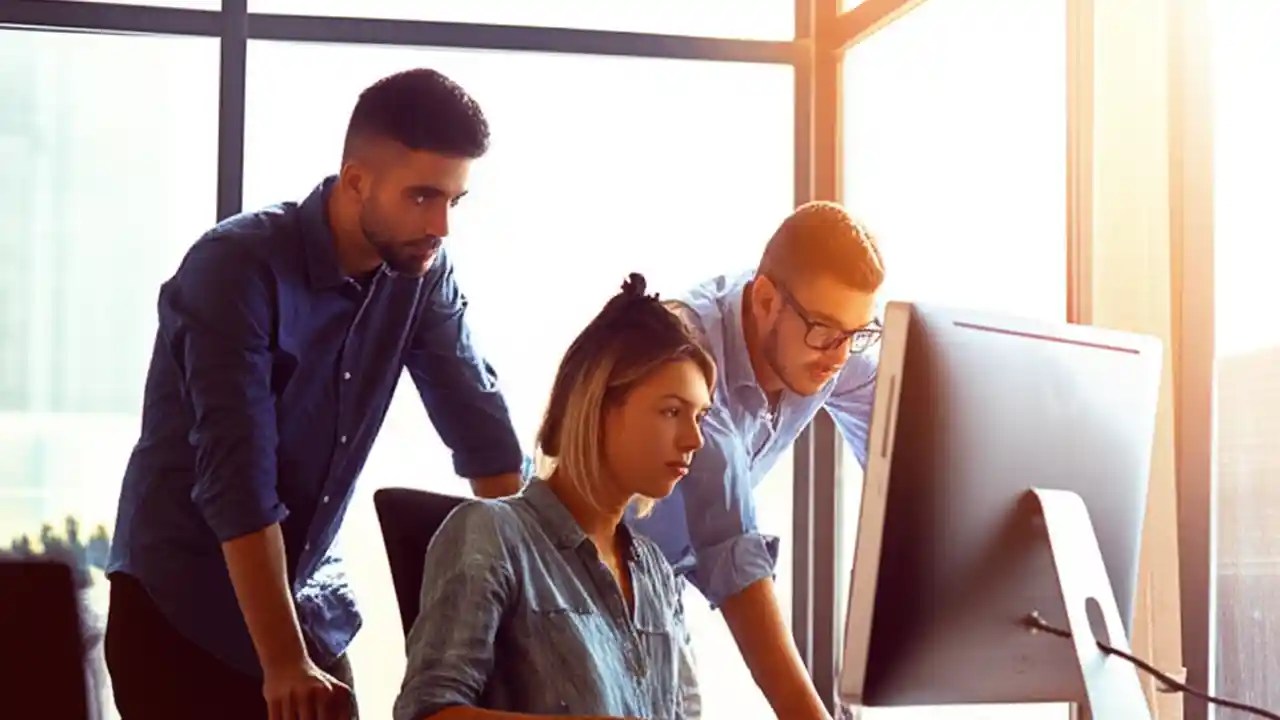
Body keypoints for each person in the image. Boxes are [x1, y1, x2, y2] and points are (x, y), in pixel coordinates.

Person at [104, 68, 527, 720]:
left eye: (454, 200)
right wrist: (282, 661)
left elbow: (484, 434)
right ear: (357, 181)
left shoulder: (420, 271)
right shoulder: (234, 268)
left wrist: (540, 610)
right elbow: (238, 481)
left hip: (308, 604)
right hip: (180, 613)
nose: (441, 225)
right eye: (422, 196)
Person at [393, 273, 714, 720]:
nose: (694, 439)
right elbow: (427, 713)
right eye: (672, 411)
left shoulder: (656, 573)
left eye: (700, 416)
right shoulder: (492, 534)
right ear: (597, 408)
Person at [629, 201, 886, 720]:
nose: (839, 357)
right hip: (578, 579)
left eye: (857, 334)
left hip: (659, 589)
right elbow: (732, 548)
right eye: (825, 331)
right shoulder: (688, 355)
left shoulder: (826, 347)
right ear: (766, 299)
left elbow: (902, 457)